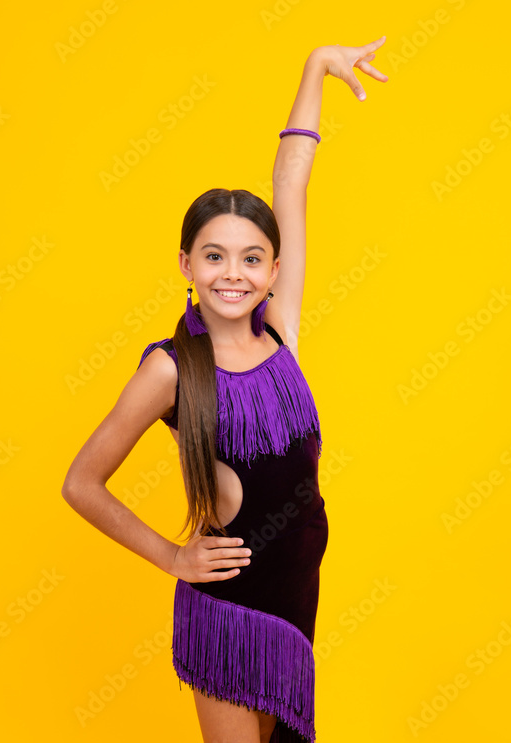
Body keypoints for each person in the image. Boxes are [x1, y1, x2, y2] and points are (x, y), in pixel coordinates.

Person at [62, 37, 387, 743]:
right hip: (231, 613)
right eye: (214, 256)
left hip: (295, 599)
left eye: (251, 258)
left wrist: (316, 68)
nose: (233, 273)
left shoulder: (281, 333)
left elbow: (290, 181)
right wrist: (173, 556)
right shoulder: (172, 370)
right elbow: (81, 482)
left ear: (274, 269)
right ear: (187, 264)